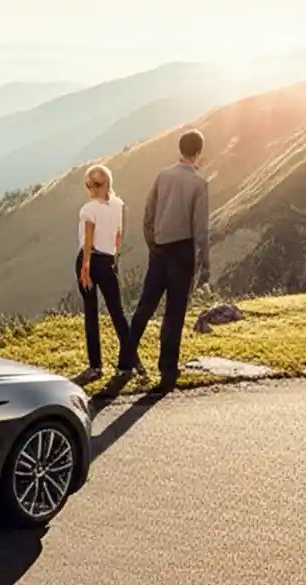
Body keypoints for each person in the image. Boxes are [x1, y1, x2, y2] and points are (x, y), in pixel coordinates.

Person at [122, 129, 211, 391]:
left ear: (180, 149)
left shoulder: (162, 176)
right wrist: (205, 263)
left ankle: (125, 360)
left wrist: (154, 245)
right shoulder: (199, 184)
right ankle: (168, 372)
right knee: (174, 313)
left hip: (159, 250)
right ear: (198, 152)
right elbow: (201, 229)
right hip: (182, 253)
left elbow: (148, 215)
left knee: (145, 306)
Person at [74, 163, 130, 382]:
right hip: (107, 261)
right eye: (89, 185)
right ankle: (128, 363)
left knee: (92, 313)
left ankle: (96, 367)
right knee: (117, 310)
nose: (92, 190)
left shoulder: (88, 209)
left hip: (89, 260)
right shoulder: (118, 205)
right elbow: (118, 235)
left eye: (96, 185)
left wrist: (85, 268)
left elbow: (88, 239)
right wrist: (114, 258)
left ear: (106, 183)